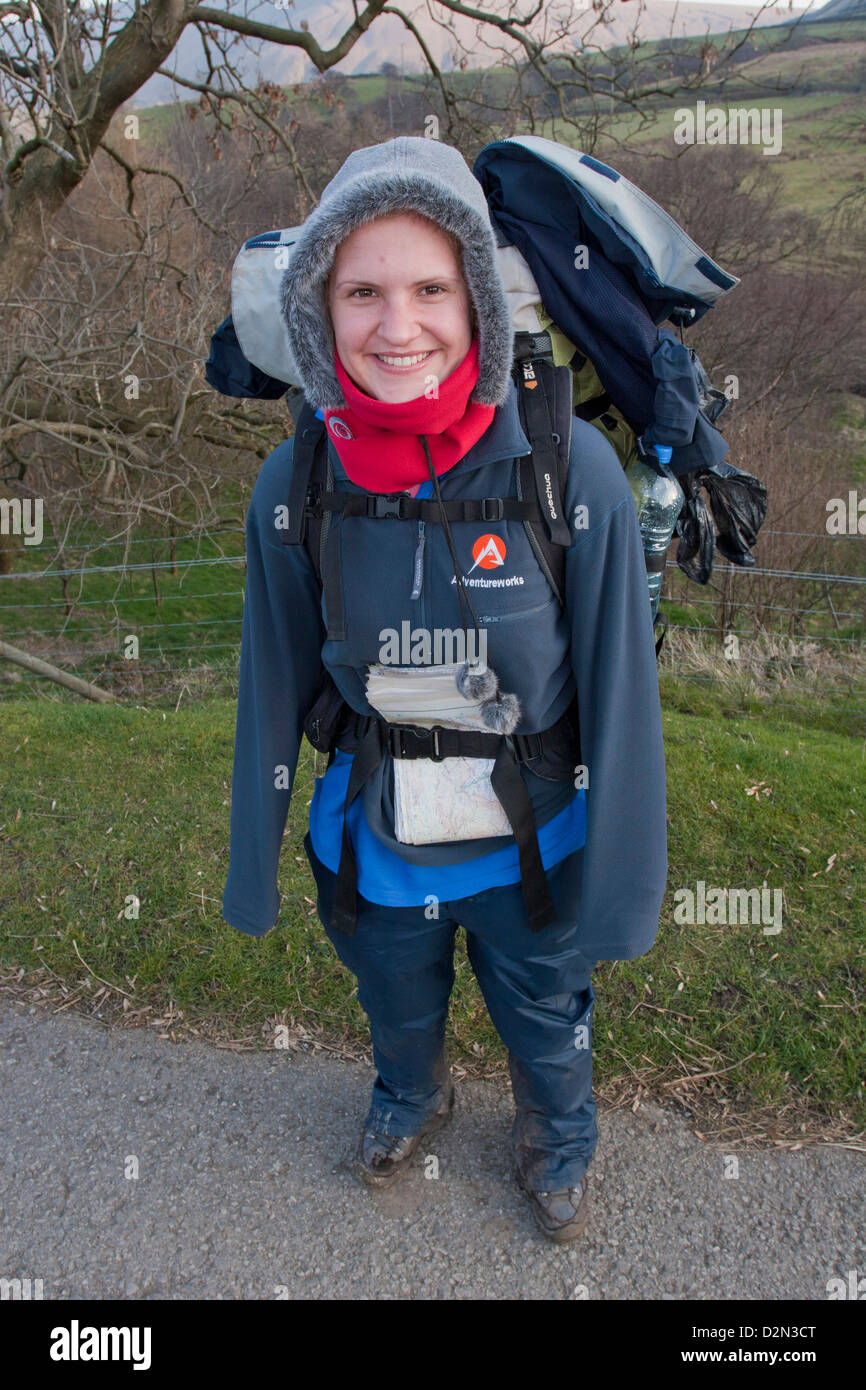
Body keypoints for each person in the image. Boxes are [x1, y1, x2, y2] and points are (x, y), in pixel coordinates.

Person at [222, 136, 668, 1244]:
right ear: (320, 310)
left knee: (544, 1007)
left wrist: (620, 892)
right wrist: (252, 865)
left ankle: (557, 1133)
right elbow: (269, 678)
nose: (398, 326)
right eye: (360, 290)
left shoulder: (572, 472)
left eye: (430, 287)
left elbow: (621, 702)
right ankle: (410, 1094)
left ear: (479, 297)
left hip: (539, 833)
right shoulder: (299, 477)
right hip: (373, 830)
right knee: (394, 994)